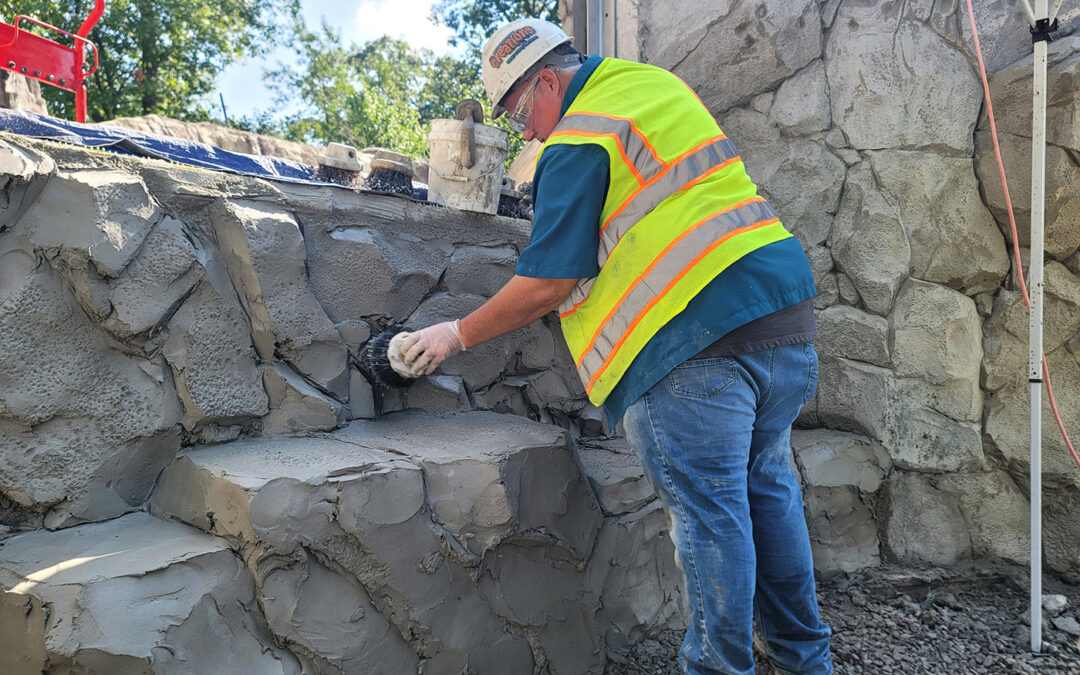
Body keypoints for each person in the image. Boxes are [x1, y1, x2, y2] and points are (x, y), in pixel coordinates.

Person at [396, 17, 833, 675]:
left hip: (690, 341)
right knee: (765, 487)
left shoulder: (577, 138)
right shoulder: (646, 85)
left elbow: (548, 280)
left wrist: (453, 332)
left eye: (519, 113)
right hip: (780, 318)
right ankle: (807, 660)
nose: (527, 133)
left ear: (546, 80)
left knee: (710, 518)